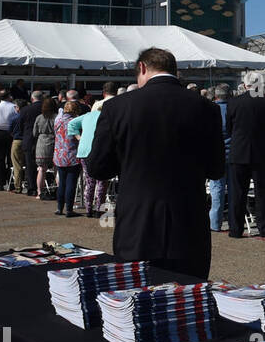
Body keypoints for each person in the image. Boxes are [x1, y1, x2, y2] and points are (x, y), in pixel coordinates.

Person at [87, 47, 225, 278]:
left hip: (138, 222)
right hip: (188, 223)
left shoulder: (117, 107)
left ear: (142, 67)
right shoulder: (206, 108)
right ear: (175, 70)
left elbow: (98, 167)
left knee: (135, 300)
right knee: (188, 302)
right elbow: (216, 167)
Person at [226, 81, 265, 239]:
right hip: (261, 152)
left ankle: (236, 229)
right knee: (262, 192)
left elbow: (229, 128)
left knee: (237, 193)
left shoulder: (234, 102)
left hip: (239, 151)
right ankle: (264, 228)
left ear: (245, 84)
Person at [69, 83, 112, 218]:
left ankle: (88, 209)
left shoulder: (87, 115)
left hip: (84, 151)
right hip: (99, 151)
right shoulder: (107, 117)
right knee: (101, 181)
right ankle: (99, 209)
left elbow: (71, 123)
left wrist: (78, 136)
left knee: (89, 181)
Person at [208, 84, 232, 232]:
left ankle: (215, 223)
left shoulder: (209, 110)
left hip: (216, 155)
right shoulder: (232, 109)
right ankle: (233, 222)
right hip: (233, 154)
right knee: (234, 190)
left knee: (217, 190)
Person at [53, 99, 81, 217]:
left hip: (59, 155)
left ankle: (59, 208)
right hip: (72, 155)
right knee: (71, 183)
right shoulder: (74, 122)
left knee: (62, 183)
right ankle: (69, 209)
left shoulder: (58, 120)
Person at [16, 91, 43, 195]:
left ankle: (32, 188)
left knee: (30, 165)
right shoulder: (46, 108)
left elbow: (19, 125)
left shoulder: (25, 110)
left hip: (28, 139)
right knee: (44, 165)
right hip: (43, 139)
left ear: (32, 99)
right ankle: (44, 185)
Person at [33, 97, 57, 197]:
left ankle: (39, 192)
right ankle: (60, 192)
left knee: (41, 169)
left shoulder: (39, 117)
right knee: (57, 169)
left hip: (41, 143)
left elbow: (34, 133)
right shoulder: (56, 117)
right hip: (53, 142)